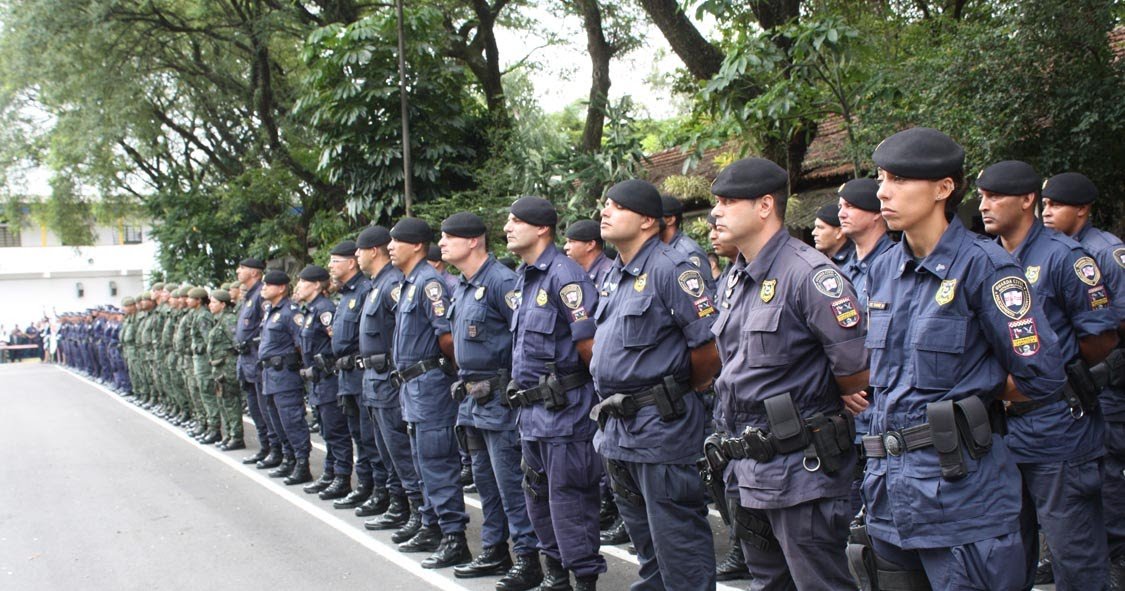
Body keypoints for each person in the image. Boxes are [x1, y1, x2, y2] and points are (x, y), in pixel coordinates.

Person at [854, 128, 1067, 590]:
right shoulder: (885, 269)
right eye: (880, 178)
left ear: (943, 189)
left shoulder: (986, 268)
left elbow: (1043, 373)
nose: (882, 191)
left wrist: (980, 395)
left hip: (962, 493)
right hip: (890, 490)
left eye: (898, 179)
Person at [709, 157, 868, 590]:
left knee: (819, 584)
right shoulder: (735, 278)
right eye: (715, 202)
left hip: (802, 470)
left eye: (727, 201)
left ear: (764, 206)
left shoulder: (809, 275)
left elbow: (855, 372)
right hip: (746, 467)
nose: (715, 212)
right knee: (768, 583)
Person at [977, 159, 1117, 589]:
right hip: (1000, 428)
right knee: (1007, 552)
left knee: (1074, 553)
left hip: (1058, 425)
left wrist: (1058, 377)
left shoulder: (1064, 256)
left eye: (995, 195)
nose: (984, 205)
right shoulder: (985, 259)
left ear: (1027, 200)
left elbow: (1100, 340)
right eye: (981, 196)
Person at [591, 180, 720, 590]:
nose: (605, 212)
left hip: (661, 427)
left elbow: (708, 345)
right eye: (605, 205)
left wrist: (688, 388)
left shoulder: (672, 268)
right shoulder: (616, 273)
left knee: (679, 546)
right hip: (620, 429)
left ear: (648, 220)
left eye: (617, 206)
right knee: (648, 548)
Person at [504, 196, 605, 590]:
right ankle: (556, 576)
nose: (508, 227)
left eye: (517, 221)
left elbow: (589, 347)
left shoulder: (566, 276)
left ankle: (583, 581)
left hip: (566, 412)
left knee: (570, 501)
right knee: (537, 496)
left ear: (541, 228)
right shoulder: (525, 276)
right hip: (531, 414)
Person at [439, 212, 543, 589]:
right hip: (472, 400)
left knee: (510, 482)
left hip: (499, 399)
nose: (442, 244)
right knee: (485, 481)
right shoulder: (463, 286)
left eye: (449, 237)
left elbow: (525, 339)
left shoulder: (501, 281)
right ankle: (495, 548)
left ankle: (528, 557)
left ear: (472, 242)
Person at [1041, 171, 1125, 586]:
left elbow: (1116, 324)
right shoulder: (1052, 251)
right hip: (1072, 389)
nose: (1047, 212)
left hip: (1104, 382)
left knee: (1106, 472)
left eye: (1056, 205)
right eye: (1045, 204)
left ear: (1083, 209)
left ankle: (1114, 554)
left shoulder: (1105, 252)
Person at [389, 217, 471, 568]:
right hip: (412, 386)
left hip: (430, 384)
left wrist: (446, 373)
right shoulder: (409, 283)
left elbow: (447, 337)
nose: (390, 247)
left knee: (438, 461)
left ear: (417, 246)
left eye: (397, 241)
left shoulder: (430, 283)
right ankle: (431, 523)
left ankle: (454, 537)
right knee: (422, 461)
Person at [354, 226, 423, 538]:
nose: (356, 256)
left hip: (390, 379)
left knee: (400, 449)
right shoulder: (376, 285)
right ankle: (400, 506)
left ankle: (418, 512)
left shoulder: (392, 285)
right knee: (386, 449)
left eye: (359, 250)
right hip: (374, 379)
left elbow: (409, 332)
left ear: (372, 251)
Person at [329, 240, 390, 515]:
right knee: (358, 435)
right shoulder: (346, 295)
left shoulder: (367, 290)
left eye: (335, 260)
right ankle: (365, 485)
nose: (330, 266)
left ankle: (380, 491)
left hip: (365, 372)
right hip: (348, 376)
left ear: (352, 263)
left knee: (371, 438)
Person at [293, 264, 354, 500]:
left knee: (336, 430)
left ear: (317, 284)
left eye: (303, 281)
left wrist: (323, 364)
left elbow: (335, 342)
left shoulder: (325, 309)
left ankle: (341, 477)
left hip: (328, 379)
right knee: (327, 430)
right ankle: (330, 473)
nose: (298, 285)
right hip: (317, 381)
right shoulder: (310, 310)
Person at [257, 269, 314, 485]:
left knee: (292, 420)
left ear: (281, 288)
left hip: (285, 376)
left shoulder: (291, 312)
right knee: (276, 420)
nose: (264, 288)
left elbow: (302, 342)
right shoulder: (271, 311)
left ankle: (302, 463)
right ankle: (289, 458)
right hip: (270, 375)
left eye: (268, 285)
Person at [234, 258, 279, 467]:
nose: (238, 272)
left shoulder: (262, 296)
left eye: (242, 268)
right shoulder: (250, 296)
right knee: (255, 408)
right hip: (247, 362)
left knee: (265, 409)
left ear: (254, 273)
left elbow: (267, 330)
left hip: (257, 361)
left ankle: (275, 450)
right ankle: (265, 448)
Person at [206, 288, 245, 451]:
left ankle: (236, 436)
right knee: (223, 401)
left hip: (227, 366)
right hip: (219, 366)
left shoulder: (228, 319)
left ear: (223, 304)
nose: (210, 305)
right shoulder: (219, 319)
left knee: (230, 401)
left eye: (214, 302)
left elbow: (237, 342)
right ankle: (229, 434)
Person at [660, 194, 716, 290]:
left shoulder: (688, 252)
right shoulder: (661, 249)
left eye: (654, 217)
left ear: (670, 220)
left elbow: (703, 295)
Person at [564, 220, 614, 294]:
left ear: (590, 245)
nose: (565, 247)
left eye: (571, 242)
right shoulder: (570, 272)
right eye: (567, 242)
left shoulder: (610, 273)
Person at [812, 202, 855, 267]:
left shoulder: (855, 261)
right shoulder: (816, 260)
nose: (813, 233)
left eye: (820, 227)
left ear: (840, 232)